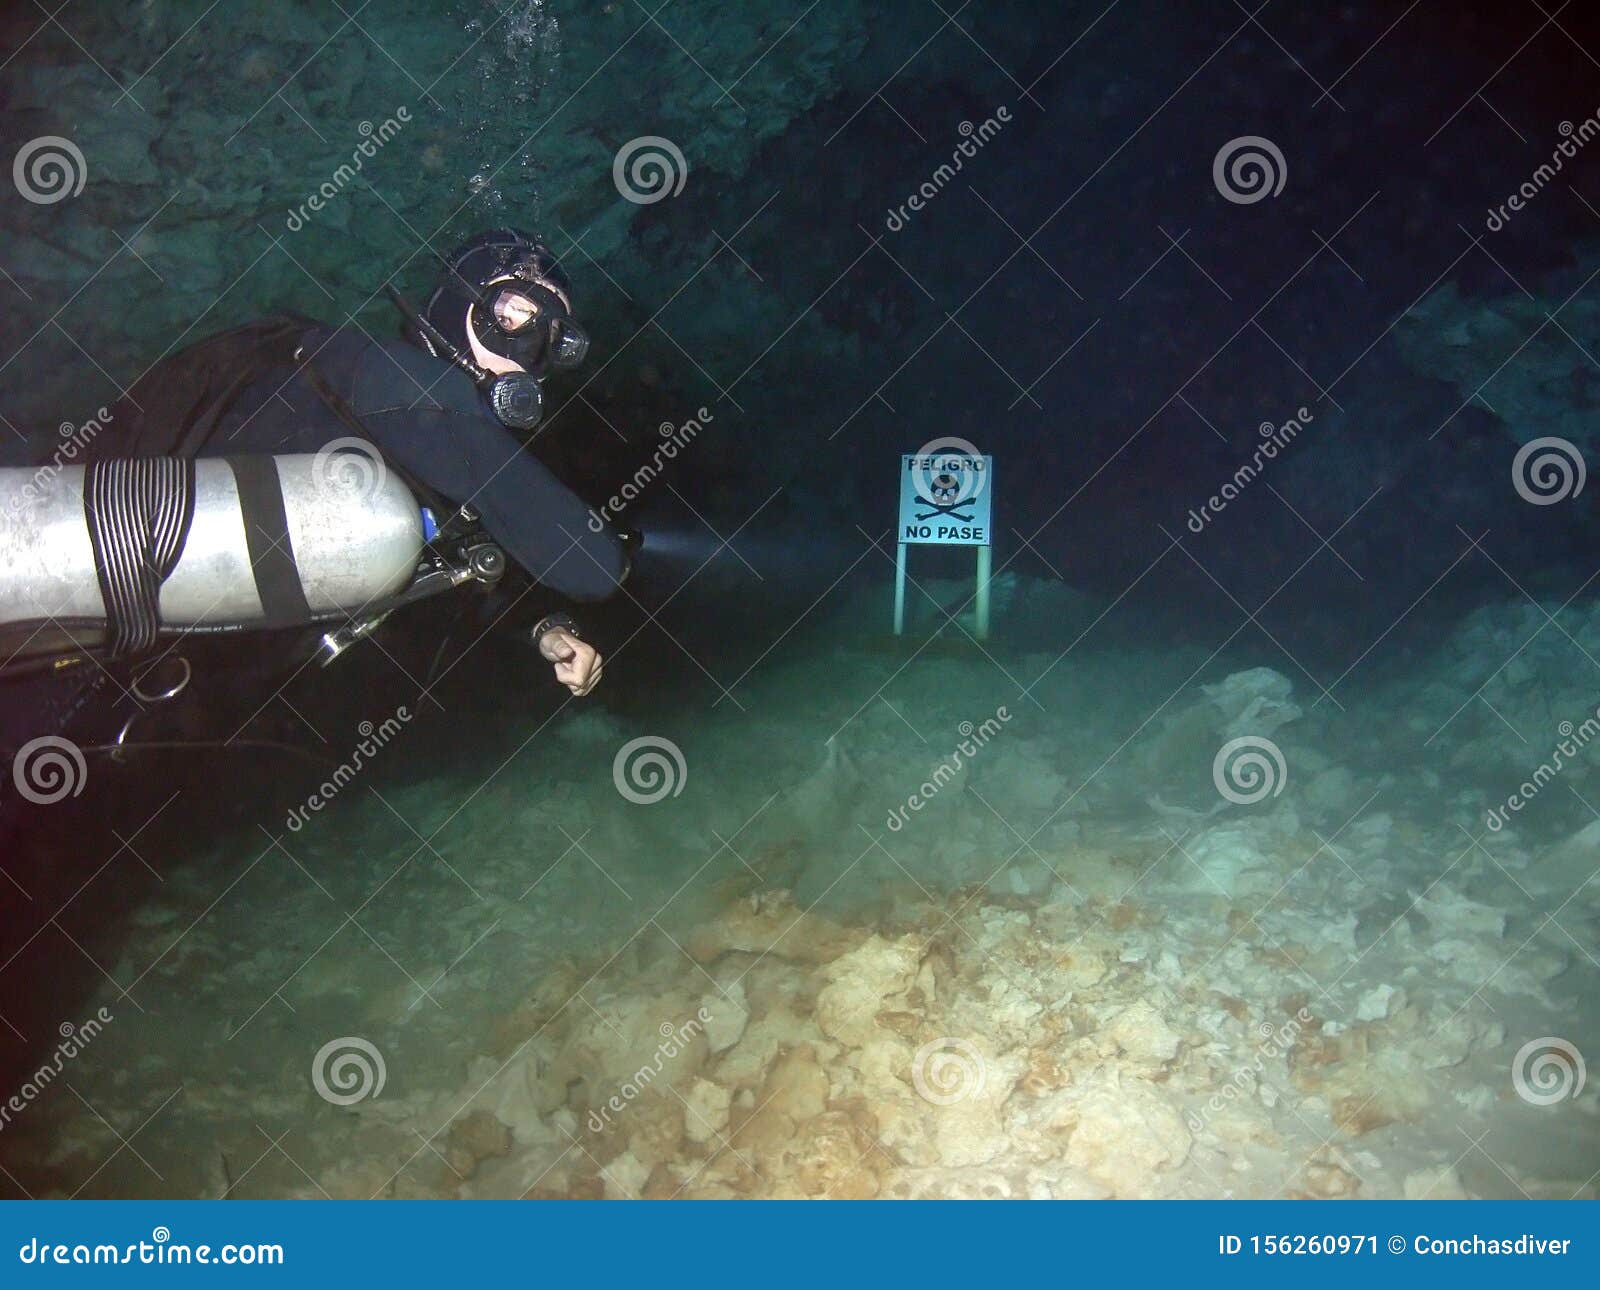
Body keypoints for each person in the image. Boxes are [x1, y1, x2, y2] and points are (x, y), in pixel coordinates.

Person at [101, 228, 628, 697]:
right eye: (513, 312)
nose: (526, 351)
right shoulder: (381, 378)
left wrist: (543, 631)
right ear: (456, 298)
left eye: (550, 337)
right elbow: (592, 566)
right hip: (115, 626)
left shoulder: (413, 440)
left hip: (165, 675)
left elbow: (465, 579)